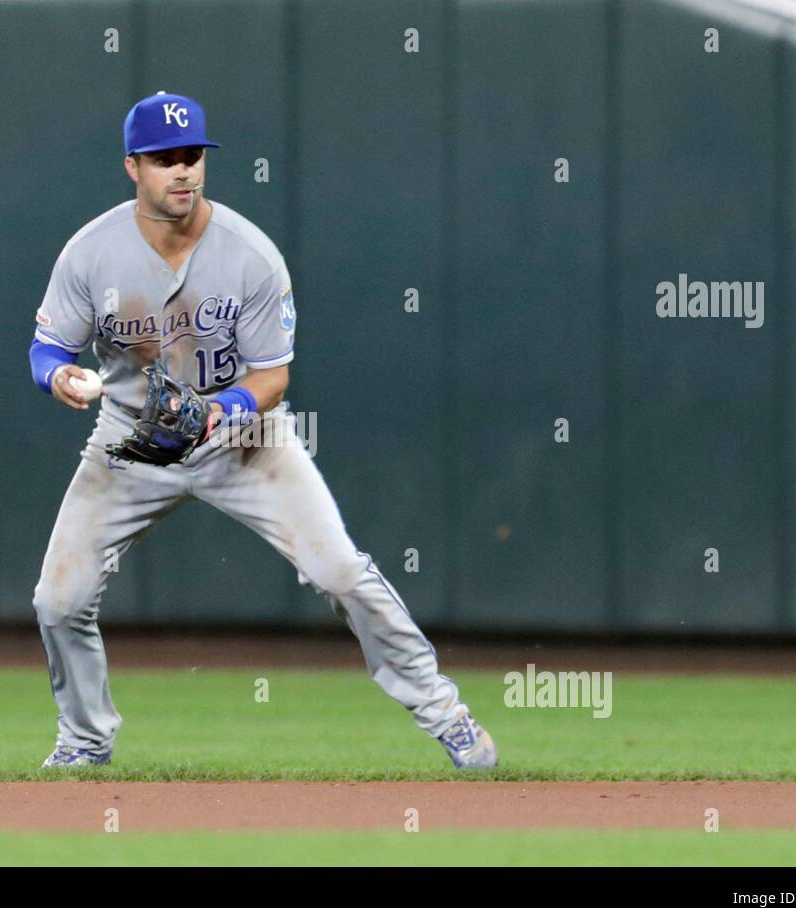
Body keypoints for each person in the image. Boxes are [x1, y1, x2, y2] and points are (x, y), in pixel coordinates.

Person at [29, 92, 497, 770]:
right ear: (133, 167)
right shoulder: (90, 253)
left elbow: (273, 374)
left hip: (243, 439)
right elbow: (48, 349)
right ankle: (84, 739)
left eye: (192, 157)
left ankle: (446, 714)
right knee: (58, 598)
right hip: (130, 439)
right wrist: (58, 379)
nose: (183, 171)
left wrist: (231, 411)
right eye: (165, 160)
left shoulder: (249, 255)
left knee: (339, 571)